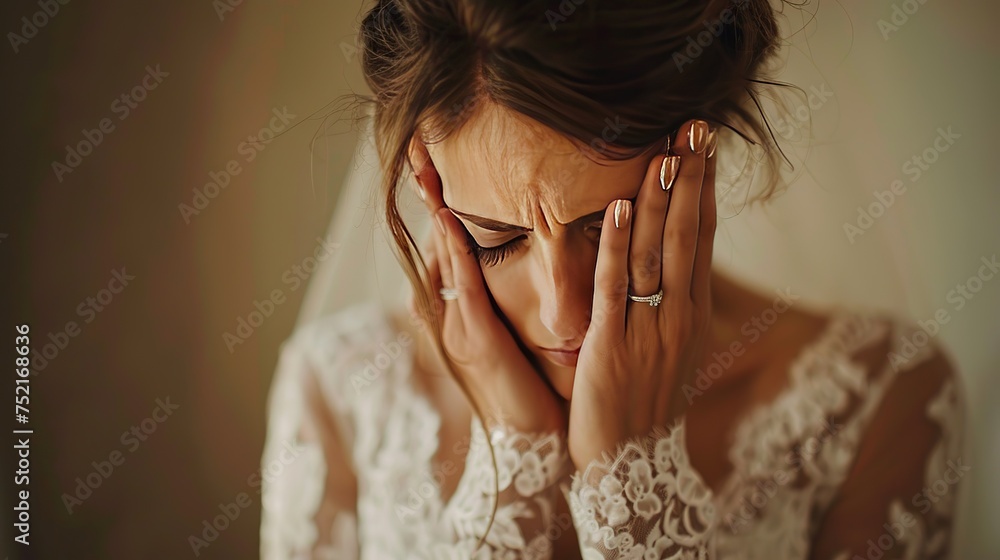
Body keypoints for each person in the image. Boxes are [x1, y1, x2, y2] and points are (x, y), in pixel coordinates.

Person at [260, 0, 966, 558]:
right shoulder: (339, 390)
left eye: (608, 228)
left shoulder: (877, 401)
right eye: (495, 239)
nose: (566, 315)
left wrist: (634, 479)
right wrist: (512, 459)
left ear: (703, 156)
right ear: (427, 181)